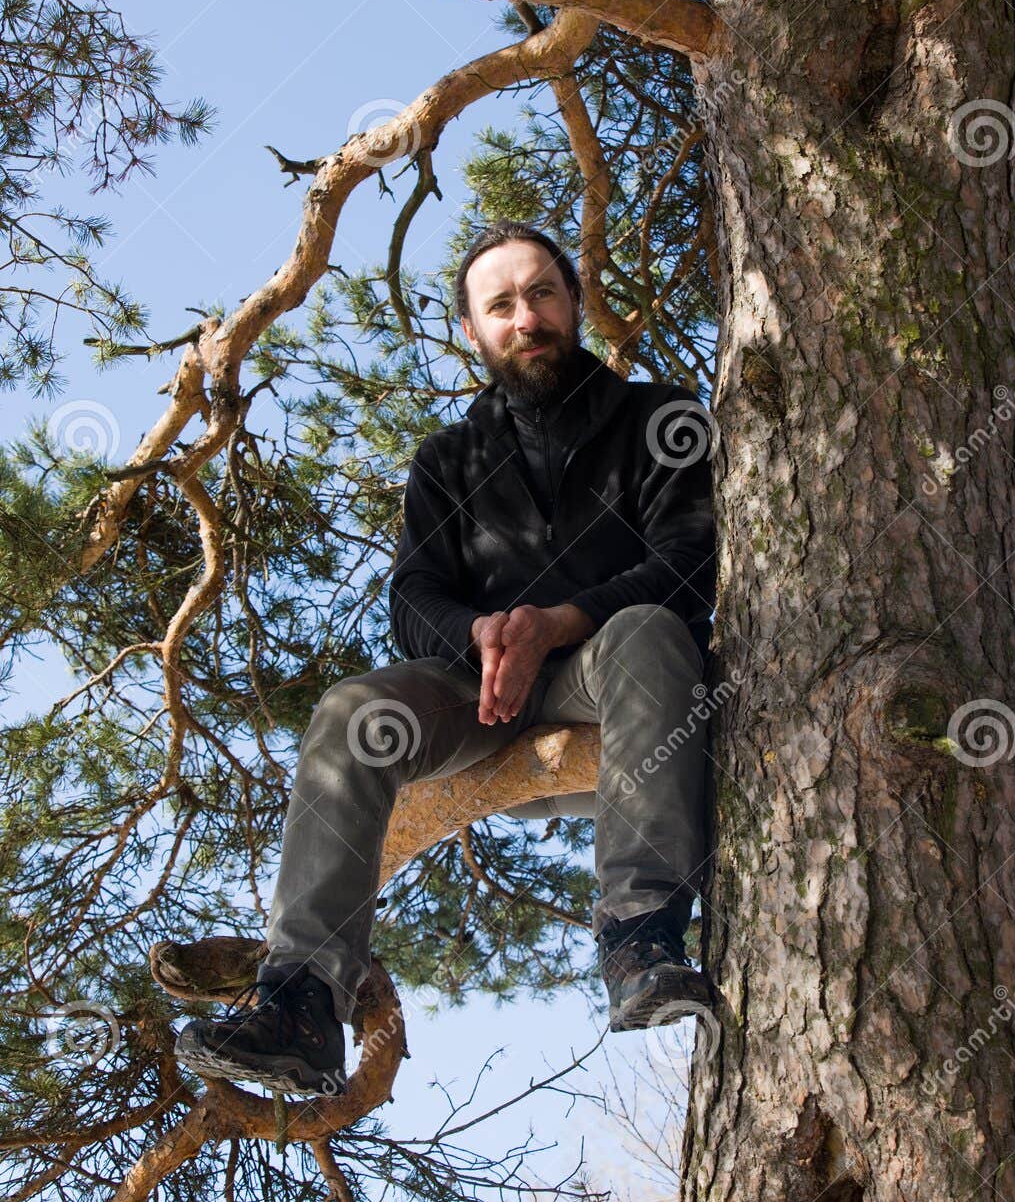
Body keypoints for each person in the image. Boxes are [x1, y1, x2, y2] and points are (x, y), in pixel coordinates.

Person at [177, 220, 718, 1096]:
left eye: (542, 293)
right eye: (499, 304)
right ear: (471, 330)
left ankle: (640, 941)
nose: (526, 317)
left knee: (651, 628)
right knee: (354, 712)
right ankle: (302, 1001)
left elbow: (690, 563)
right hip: (484, 694)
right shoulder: (446, 457)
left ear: (574, 303)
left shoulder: (662, 418)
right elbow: (412, 597)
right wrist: (480, 636)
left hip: (622, 687)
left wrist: (555, 621)